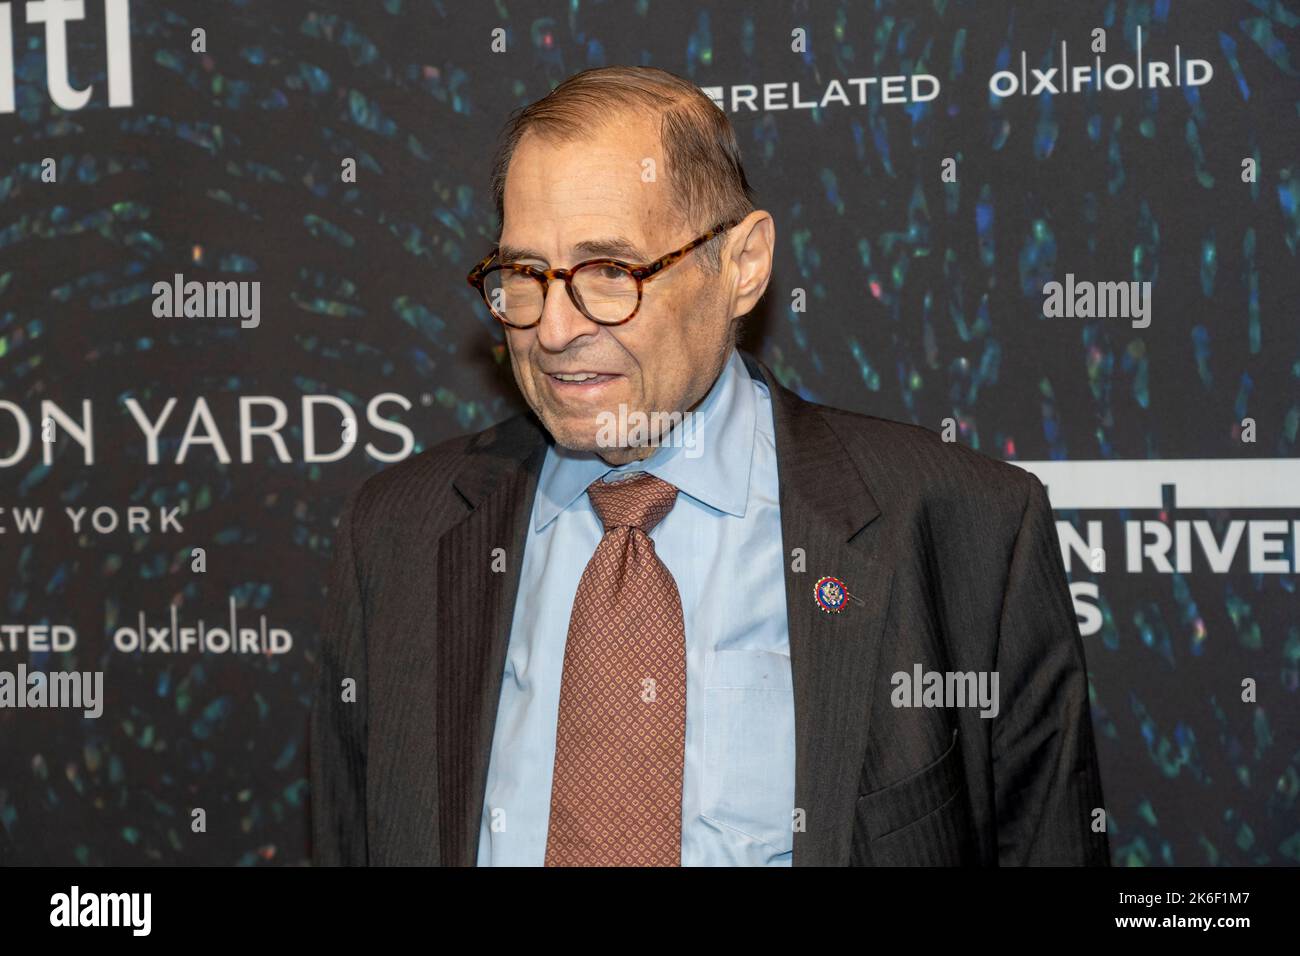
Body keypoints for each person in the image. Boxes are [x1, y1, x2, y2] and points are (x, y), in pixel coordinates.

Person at [310, 65, 1109, 867]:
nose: (552, 329)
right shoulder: (399, 535)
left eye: (609, 273)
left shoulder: (961, 528)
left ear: (743, 265)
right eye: (524, 275)